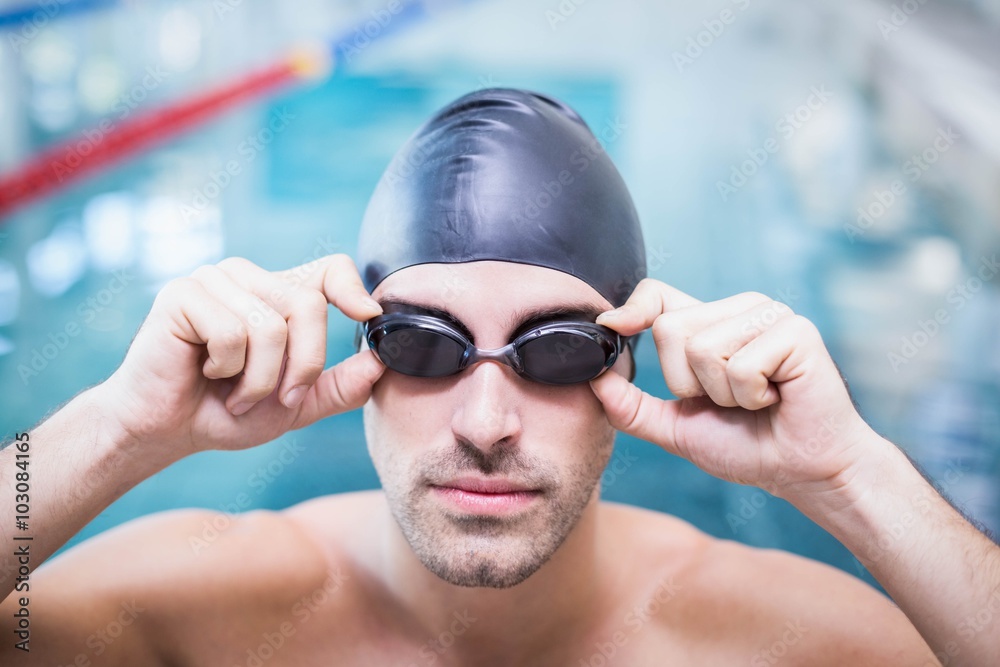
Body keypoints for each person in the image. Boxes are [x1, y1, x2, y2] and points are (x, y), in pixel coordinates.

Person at [1, 88, 997, 666]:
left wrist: (853, 476)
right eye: (425, 344)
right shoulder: (192, 618)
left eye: (554, 349)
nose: (485, 419)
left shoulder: (780, 645)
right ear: (362, 353)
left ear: (626, 363)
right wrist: (117, 428)